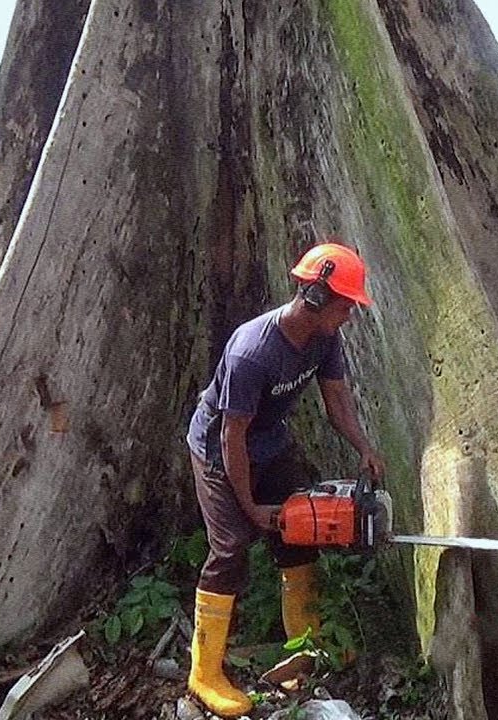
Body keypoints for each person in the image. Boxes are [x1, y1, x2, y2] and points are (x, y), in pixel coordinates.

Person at [183, 242, 385, 716]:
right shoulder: (253, 351)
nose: (349, 315)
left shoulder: (325, 339)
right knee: (231, 547)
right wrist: (251, 507)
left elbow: (336, 400)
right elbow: (233, 436)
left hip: (269, 443)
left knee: (301, 527)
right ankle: (204, 672)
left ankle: (305, 648)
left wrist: (364, 448)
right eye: (345, 306)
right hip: (219, 451)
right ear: (316, 297)